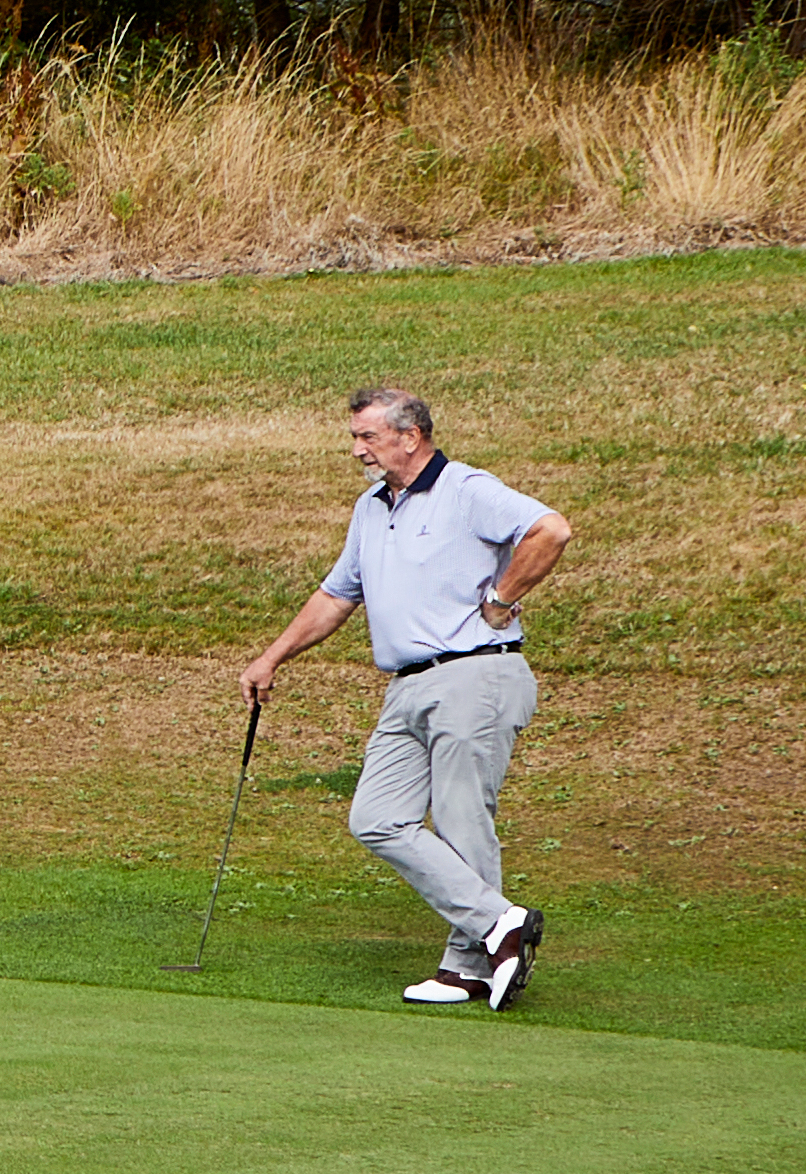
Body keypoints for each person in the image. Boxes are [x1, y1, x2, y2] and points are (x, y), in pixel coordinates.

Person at [238, 386, 577, 1009]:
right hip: (407, 686)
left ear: (410, 436)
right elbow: (337, 596)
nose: (358, 450)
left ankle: (468, 966)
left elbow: (550, 529)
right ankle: (498, 924)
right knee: (375, 817)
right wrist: (272, 656)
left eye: (367, 437)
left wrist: (500, 598)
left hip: (475, 674)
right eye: (355, 438)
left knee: (459, 819)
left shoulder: (468, 489)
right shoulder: (371, 507)